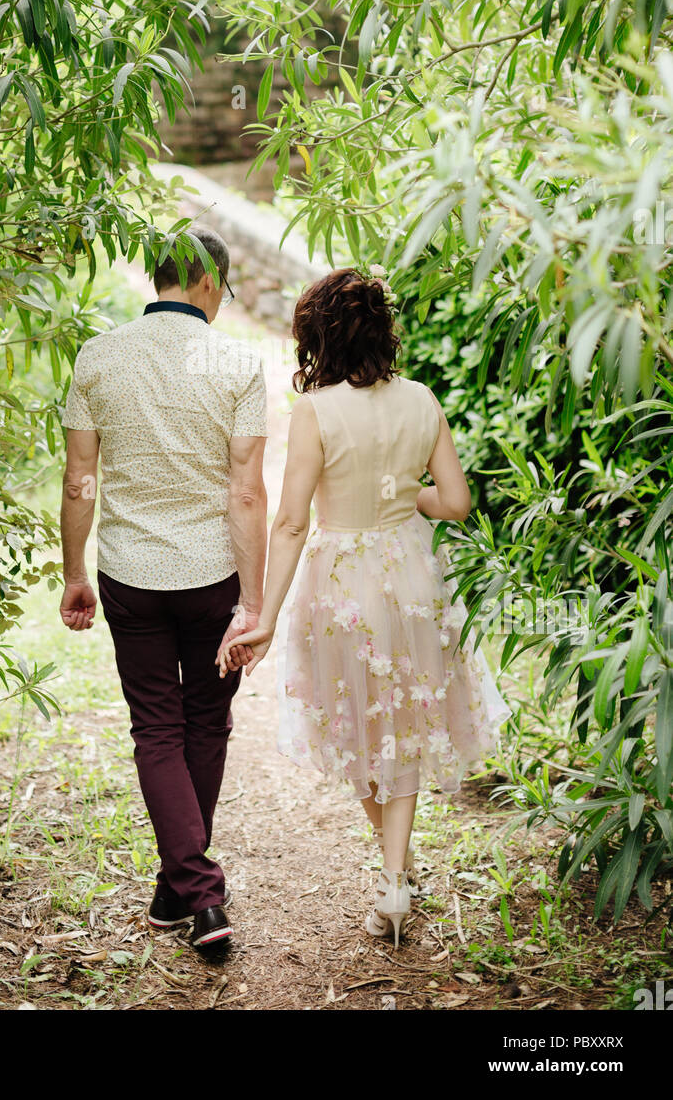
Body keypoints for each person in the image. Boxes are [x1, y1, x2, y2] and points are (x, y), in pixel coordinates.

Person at [219, 267, 509, 946]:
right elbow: (457, 504)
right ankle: (397, 873)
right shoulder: (422, 399)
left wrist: (261, 616)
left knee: (360, 727)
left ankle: (395, 878)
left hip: (341, 583)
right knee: (401, 726)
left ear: (318, 336)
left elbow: (290, 524)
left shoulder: (316, 410)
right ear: (382, 330)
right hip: (410, 575)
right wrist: (409, 497)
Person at [59, 227, 267, 949]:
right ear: (210, 282)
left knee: (156, 726)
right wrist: (256, 602)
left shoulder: (97, 355)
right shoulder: (240, 361)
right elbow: (246, 495)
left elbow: (80, 481)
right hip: (213, 579)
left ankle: (179, 886)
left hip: (130, 576)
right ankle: (203, 894)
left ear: (161, 277)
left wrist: (74, 572)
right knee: (206, 724)